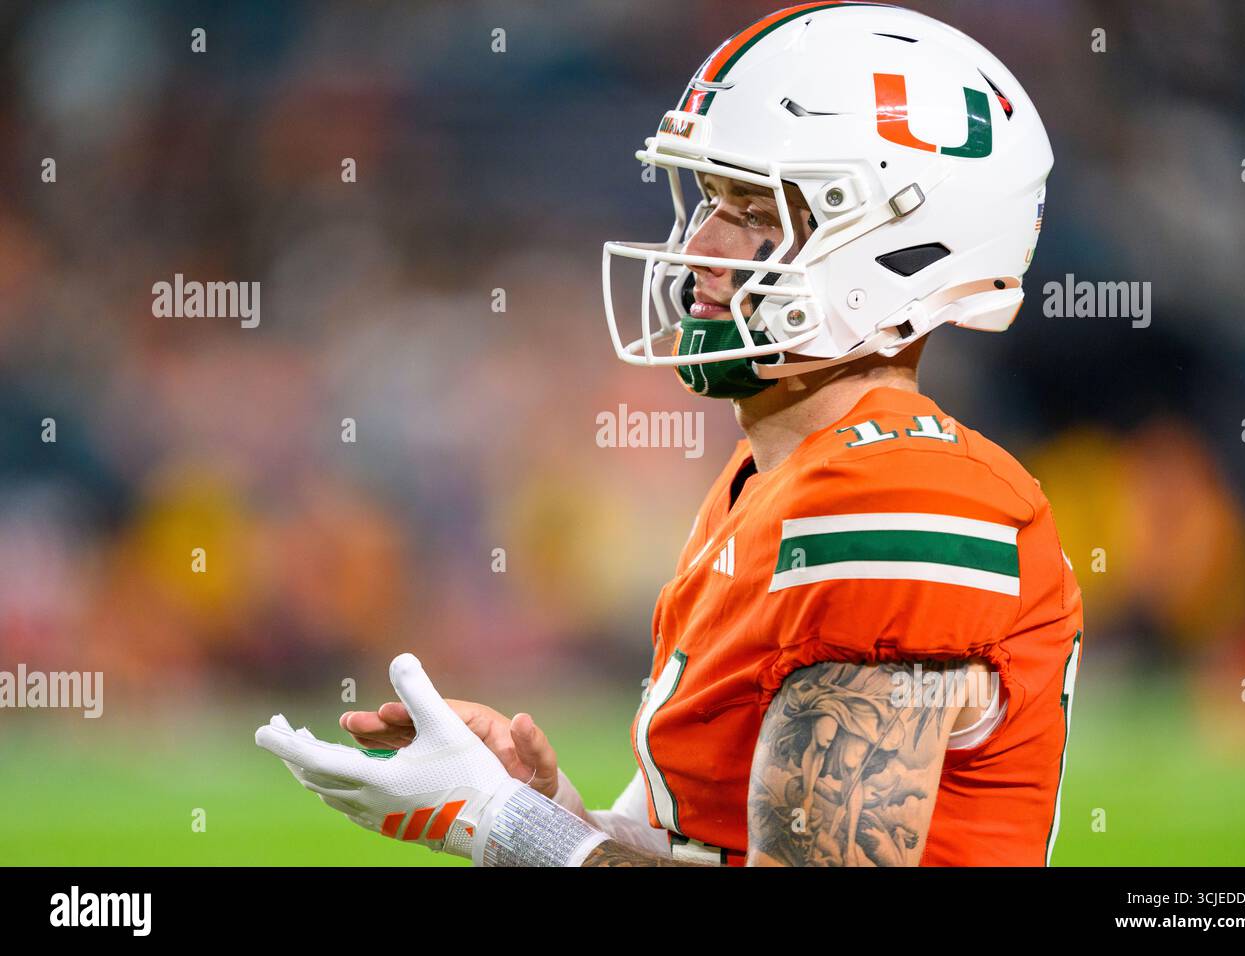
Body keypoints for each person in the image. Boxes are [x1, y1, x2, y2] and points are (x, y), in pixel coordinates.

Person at [261, 3, 1083, 867]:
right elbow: (706, 851)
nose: (701, 249)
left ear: (903, 249)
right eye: (709, 199)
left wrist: (503, 824)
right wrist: (548, 806)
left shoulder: (900, 500)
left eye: (757, 212)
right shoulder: (770, 482)